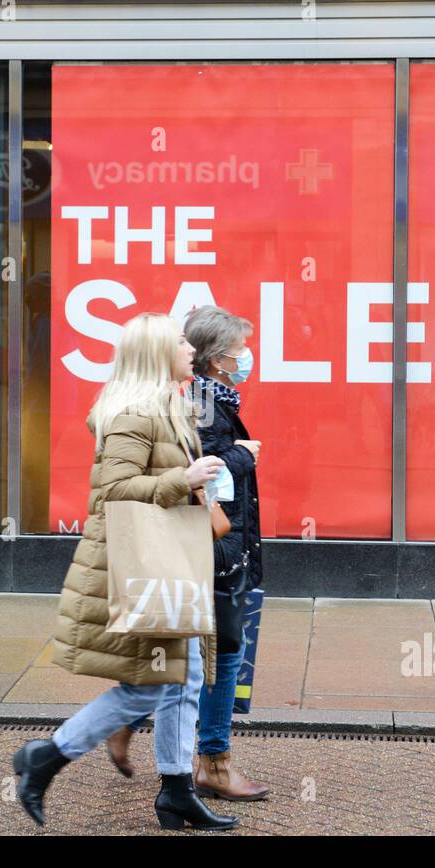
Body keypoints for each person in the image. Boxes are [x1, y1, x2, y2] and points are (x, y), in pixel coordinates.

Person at [10, 312, 238, 831]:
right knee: (149, 686)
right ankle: (47, 756)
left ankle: (176, 791)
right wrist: (184, 478)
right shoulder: (137, 412)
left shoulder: (169, 405)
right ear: (158, 352)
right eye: (180, 341)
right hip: (143, 567)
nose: (189, 347)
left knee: (186, 676)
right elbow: (113, 492)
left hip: (167, 563)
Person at [105, 305, 269, 801]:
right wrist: (245, 455)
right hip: (217, 545)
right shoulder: (203, 402)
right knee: (224, 651)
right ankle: (212, 763)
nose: (245, 358)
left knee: (202, 652)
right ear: (218, 359)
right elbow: (202, 470)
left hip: (222, 540)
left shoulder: (209, 396)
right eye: (239, 351)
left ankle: (128, 718)